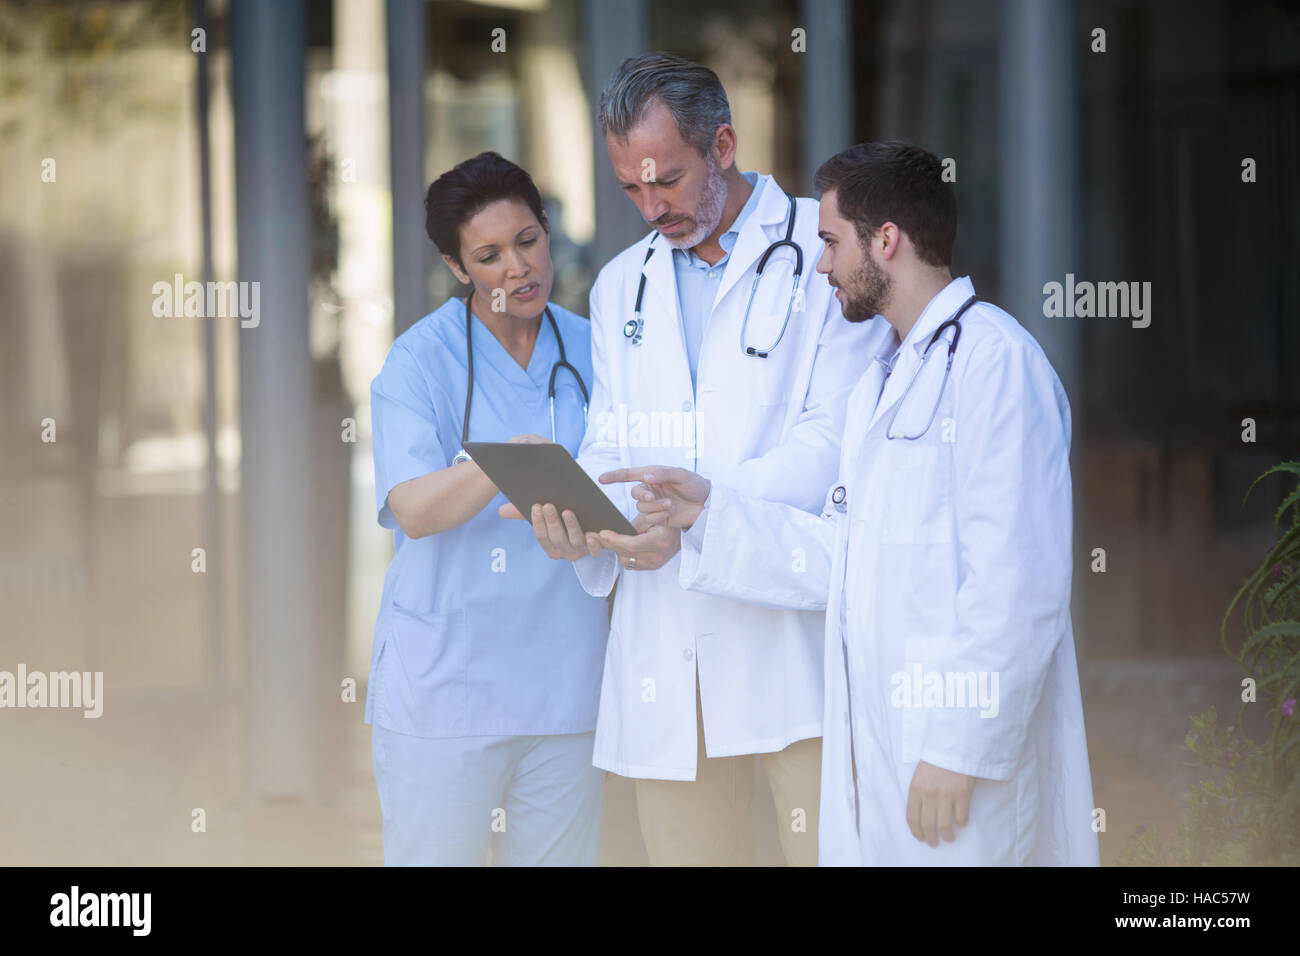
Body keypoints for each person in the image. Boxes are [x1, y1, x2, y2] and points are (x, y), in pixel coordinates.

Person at [604, 142, 1100, 866]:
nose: (822, 265)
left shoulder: (995, 363)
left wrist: (959, 748)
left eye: (832, 243)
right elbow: (840, 554)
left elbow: (1017, 585)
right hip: (887, 750)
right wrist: (708, 514)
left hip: (951, 756)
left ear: (887, 241)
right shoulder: (882, 380)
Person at [504, 54, 886, 866]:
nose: (650, 208)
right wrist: (587, 518)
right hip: (667, 650)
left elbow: (833, 441)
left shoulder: (824, 252)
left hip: (795, 640)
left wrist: (701, 509)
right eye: (630, 189)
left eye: (667, 181)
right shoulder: (619, 287)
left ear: (722, 146)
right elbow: (613, 438)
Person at [366, 151, 609, 866]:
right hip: (448, 692)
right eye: (490, 254)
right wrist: (510, 458)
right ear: (458, 266)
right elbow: (413, 507)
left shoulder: (594, 351)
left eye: (528, 240)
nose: (518, 268)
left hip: (566, 688)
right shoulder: (419, 363)